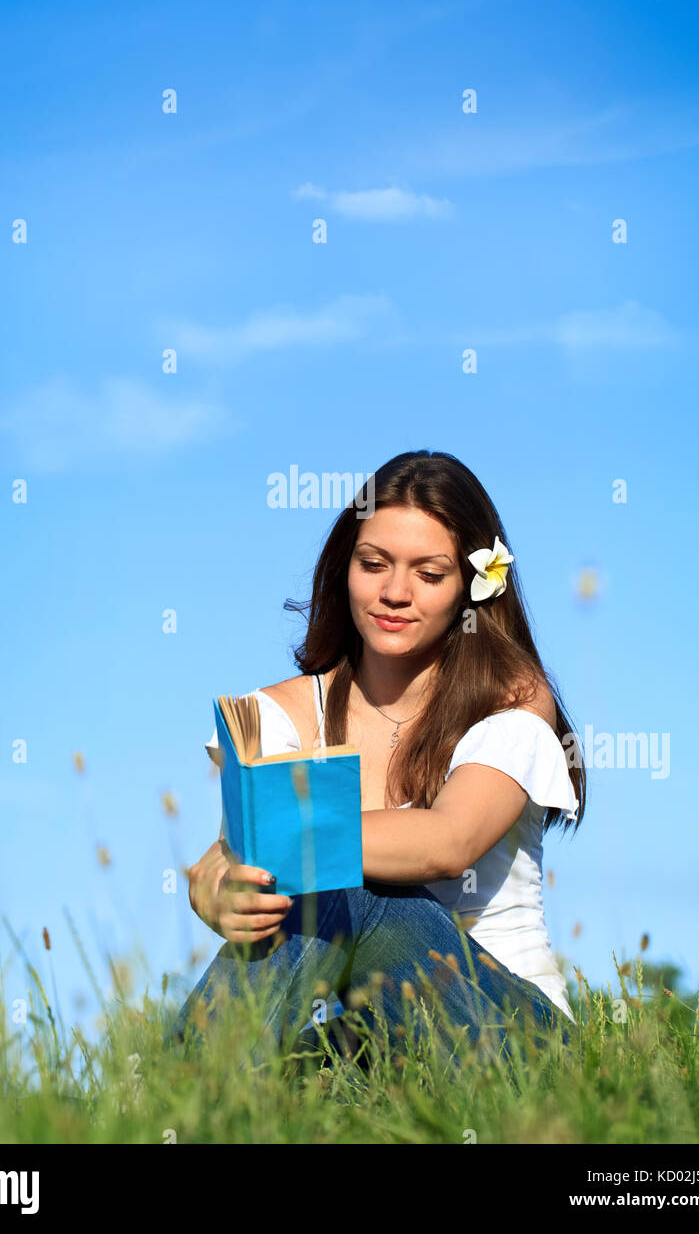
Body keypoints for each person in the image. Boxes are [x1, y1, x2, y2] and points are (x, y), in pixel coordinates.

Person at [171, 450, 585, 1068]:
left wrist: (276, 847)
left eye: (429, 573)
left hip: (509, 1039)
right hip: (363, 1039)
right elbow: (242, 850)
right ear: (346, 568)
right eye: (375, 565)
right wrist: (215, 887)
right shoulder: (267, 714)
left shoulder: (516, 698)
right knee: (293, 1071)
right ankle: (181, 1108)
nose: (395, 592)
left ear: (472, 584)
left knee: (343, 884)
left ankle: (175, 1088)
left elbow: (447, 842)